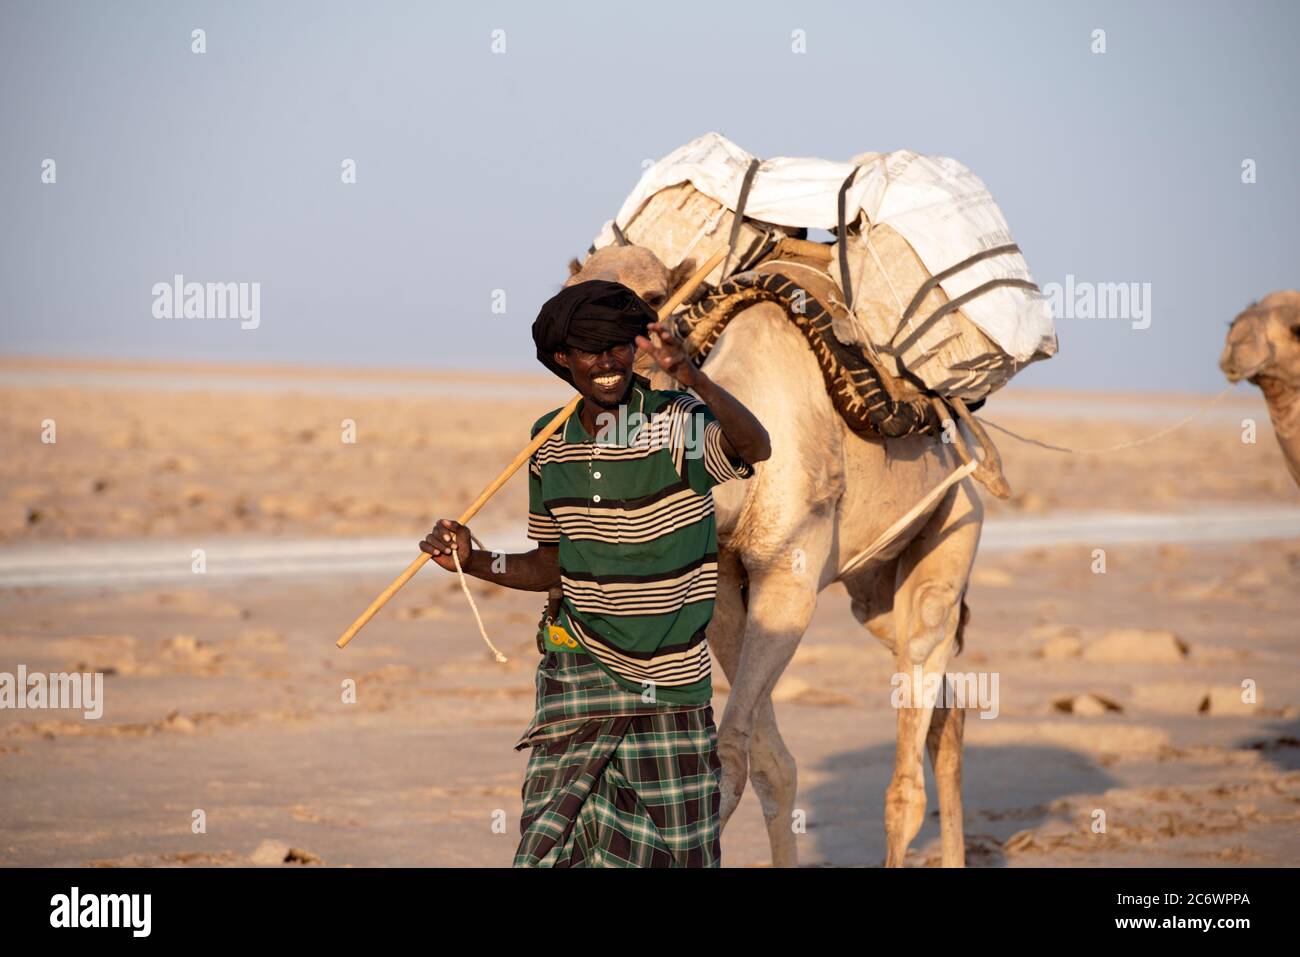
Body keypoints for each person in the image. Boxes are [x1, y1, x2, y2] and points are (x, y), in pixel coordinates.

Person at [420, 279, 770, 867]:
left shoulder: (676, 419)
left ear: (635, 351)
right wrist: (474, 559)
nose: (608, 362)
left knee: (678, 853)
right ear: (564, 359)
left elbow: (754, 447)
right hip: (580, 672)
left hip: (671, 680)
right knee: (556, 849)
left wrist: (694, 379)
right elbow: (552, 562)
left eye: (618, 347)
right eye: (590, 350)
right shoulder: (547, 441)